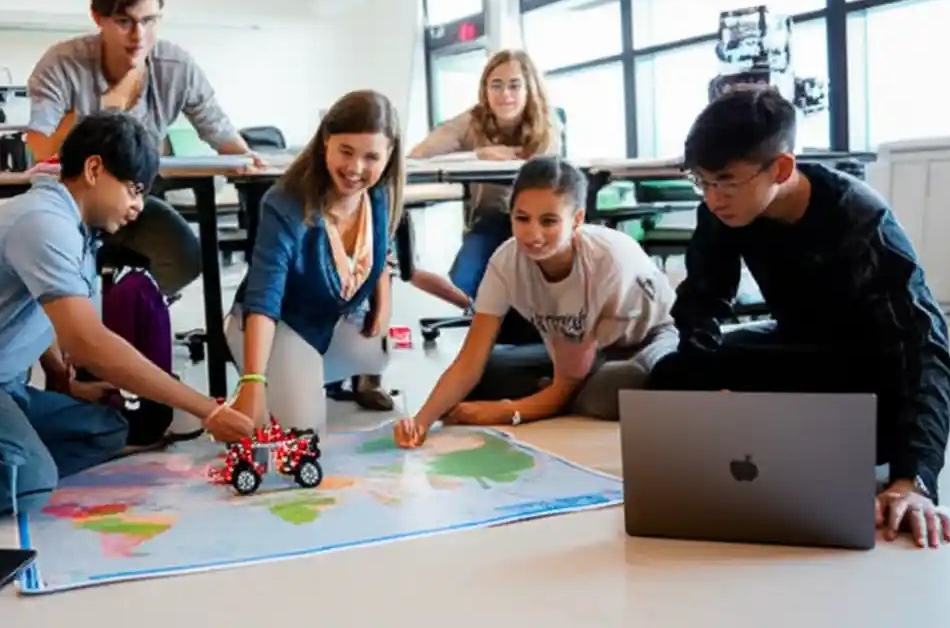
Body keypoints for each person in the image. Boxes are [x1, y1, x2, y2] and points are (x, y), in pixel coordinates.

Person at [0, 111, 253, 525]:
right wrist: (207, 409)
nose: (137, 206)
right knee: (31, 477)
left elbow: (39, 310)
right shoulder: (42, 222)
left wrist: (60, 377)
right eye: (133, 189)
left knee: (108, 429)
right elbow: (88, 343)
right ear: (94, 169)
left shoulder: (73, 226)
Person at [647, 88, 950, 549]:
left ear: (782, 168)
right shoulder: (724, 208)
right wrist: (704, 391)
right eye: (702, 181)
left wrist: (914, 479)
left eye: (726, 181)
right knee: (670, 375)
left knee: (886, 416)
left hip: (869, 363)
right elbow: (704, 301)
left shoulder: (859, 217)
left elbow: (922, 346)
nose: (713, 198)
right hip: (798, 344)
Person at [395, 157, 677, 446]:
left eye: (549, 221)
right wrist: (421, 421)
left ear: (577, 220)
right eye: (522, 218)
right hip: (574, 353)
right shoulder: (506, 260)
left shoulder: (606, 261)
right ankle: (544, 391)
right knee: (484, 375)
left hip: (646, 341)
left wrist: (508, 411)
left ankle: (542, 396)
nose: (533, 235)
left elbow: (569, 382)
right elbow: (470, 359)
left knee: (607, 392)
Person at [24, 0, 262, 296]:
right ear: (98, 18)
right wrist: (100, 111)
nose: (139, 36)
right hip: (69, 205)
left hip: (134, 205)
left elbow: (218, 129)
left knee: (184, 258)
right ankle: (82, 319)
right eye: (124, 21)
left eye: (150, 21)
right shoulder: (63, 63)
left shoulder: (176, 66)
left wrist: (247, 158)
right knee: (56, 277)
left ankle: (124, 312)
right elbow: (38, 147)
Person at [226, 90, 406, 434]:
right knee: (302, 435)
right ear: (326, 142)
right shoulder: (285, 203)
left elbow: (380, 254)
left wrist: (383, 309)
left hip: (326, 321)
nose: (355, 168)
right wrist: (253, 378)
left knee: (376, 350)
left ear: (389, 155)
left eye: (371, 156)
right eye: (346, 152)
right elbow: (264, 300)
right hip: (277, 322)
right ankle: (262, 381)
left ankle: (292, 377)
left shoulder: (381, 196)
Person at [407, 49, 565, 342]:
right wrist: (478, 154)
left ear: (530, 88)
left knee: (544, 288)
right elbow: (417, 157)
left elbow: (549, 179)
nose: (505, 94)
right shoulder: (473, 120)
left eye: (515, 85)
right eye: (496, 85)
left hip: (538, 221)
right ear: (485, 89)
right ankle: (471, 347)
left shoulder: (547, 122)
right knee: (460, 286)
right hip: (489, 220)